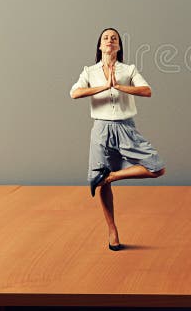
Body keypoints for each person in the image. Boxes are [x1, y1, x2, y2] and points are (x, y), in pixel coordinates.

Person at [70, 27, 165, 251]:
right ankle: (112, 230)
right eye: (106, 38)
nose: (110, 40)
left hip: (126, 128)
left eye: (114, 38)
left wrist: (119, 86)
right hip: (101, 130)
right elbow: (74, 92)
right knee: (99, 183)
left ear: (119, 46)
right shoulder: (89, 71)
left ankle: (111, 176)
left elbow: (147, 90)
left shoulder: (128, 69)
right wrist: (104, 86)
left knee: (156, 167)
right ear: (100, 46)